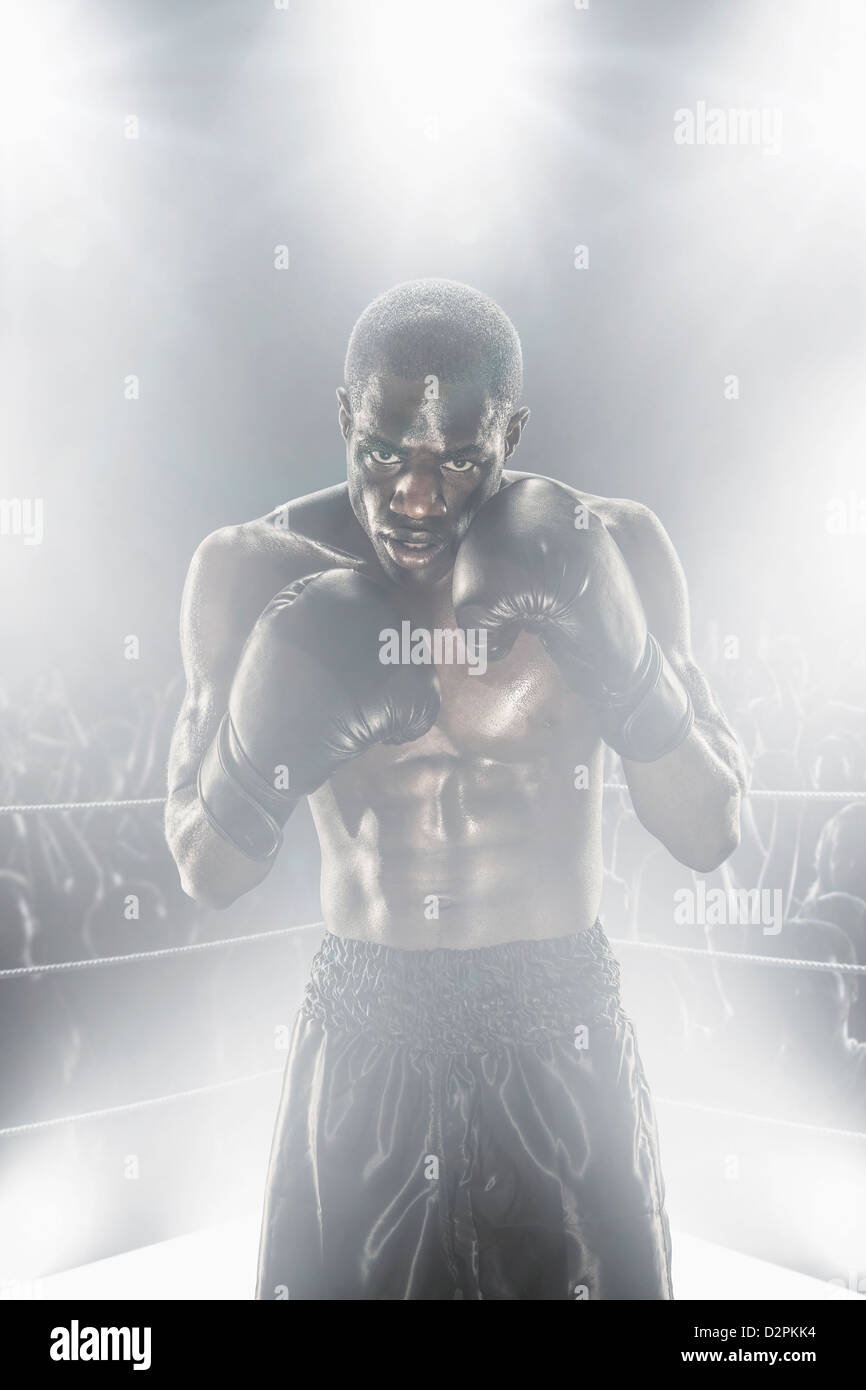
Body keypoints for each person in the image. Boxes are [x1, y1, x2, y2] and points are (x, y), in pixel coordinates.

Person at [165, 279, 745, 1300]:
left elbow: (707, 830)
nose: (417, 495)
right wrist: (251, 767)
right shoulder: (251, 574)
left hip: (557, 1025)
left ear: (511, 431)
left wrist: (628, 670)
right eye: (384, 451)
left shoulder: (611, 547)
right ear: (343, 415)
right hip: (364, 1033)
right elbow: (203, 868)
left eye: (457, 458)